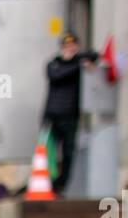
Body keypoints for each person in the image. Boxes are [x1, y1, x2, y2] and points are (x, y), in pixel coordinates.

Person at [42, 31, 98, 195]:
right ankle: (48, 184)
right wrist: (78, 64)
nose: (68, 49)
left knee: (68, 153)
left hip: (70, 116)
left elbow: (95, 55)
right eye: (66, 46)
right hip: (51, 115)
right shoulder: (54, 63)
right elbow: (56, 76)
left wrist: (81, 59)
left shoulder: (78, 61)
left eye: (72, 46)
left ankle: (61, 185)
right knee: (49, 152)